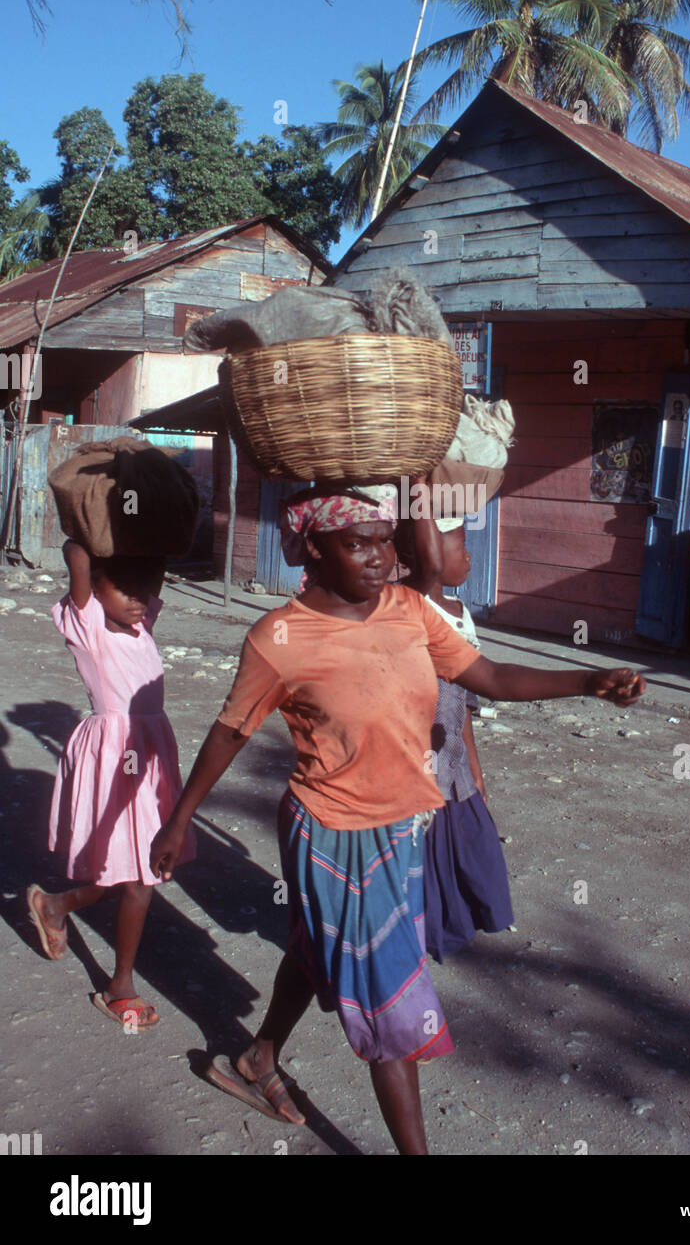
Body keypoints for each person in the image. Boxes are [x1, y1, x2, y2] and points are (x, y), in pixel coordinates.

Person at [149, 483, 644, 1155]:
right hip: (331, 831)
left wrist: (585, 681)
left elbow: (488, 676)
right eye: (358, 544)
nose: (380, 557)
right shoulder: (279, 639)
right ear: (314, 550)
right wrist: (179, 820)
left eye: (384, 541)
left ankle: (259, 1058)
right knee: (390, 1007)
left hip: (403, 829)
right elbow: (231, 731)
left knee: (313, 948)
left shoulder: (410, 610)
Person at [26, 539, 194, 1029]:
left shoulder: (142, 626)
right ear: (94, 591)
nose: (138, 598)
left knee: (134, 870)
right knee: (139, 876)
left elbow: (156, 562)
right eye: (123, 588)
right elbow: (77, 551)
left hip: (151, 763)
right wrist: (101, 522)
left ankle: (55, 905)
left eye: (144, 590)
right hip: (115, 762)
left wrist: (151, 521)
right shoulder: (91, 630)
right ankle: (119, 985)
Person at [395, 509, 514, 962]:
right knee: (419, 854)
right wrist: (421, 488)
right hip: (414, 760)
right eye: (457, 544)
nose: (469, 554)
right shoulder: (410, 604)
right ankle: (414, 938)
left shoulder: (461, 614)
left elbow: (465, 695)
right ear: (423, 552)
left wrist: (475, 767)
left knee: (467, 846)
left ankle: (451, 924)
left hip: (452, 758)